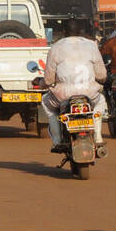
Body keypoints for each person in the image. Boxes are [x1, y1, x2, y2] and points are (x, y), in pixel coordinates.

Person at [40, 17, 108, 155]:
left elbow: (48, 80)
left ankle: (58, 140)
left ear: (64, 32)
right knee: (100, 102)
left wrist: (42, 83)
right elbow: (102, 75)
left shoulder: (56, 47)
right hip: (89, 93)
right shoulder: (91, 45)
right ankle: (98, 136)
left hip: (63, 95)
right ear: (80, 31)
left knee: (47, 104)